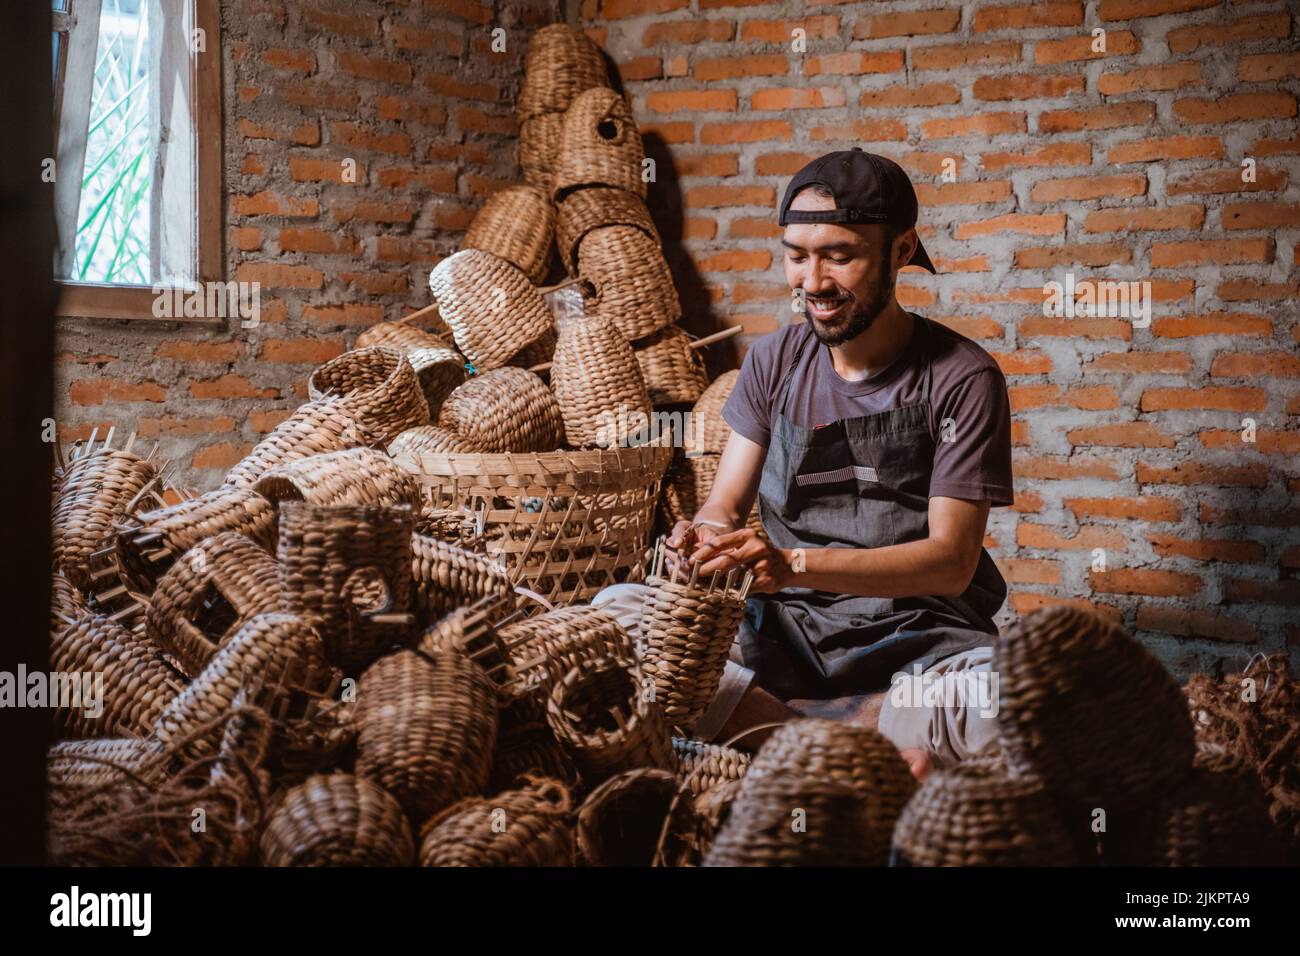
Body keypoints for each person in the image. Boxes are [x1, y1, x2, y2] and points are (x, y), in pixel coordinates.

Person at [596, 149, 1014, 781]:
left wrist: (790, 565)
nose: (812, 282)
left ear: (901, 251)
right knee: (615, 616)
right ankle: (839, 755)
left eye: (839, 256)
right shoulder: (775, 360)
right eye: (797, 254)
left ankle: (797, 743)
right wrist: (704, 541)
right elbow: (722, 504)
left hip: (919, 638)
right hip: (787, 632)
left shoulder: (961, 377)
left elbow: (952, 564)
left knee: (1004, 707)